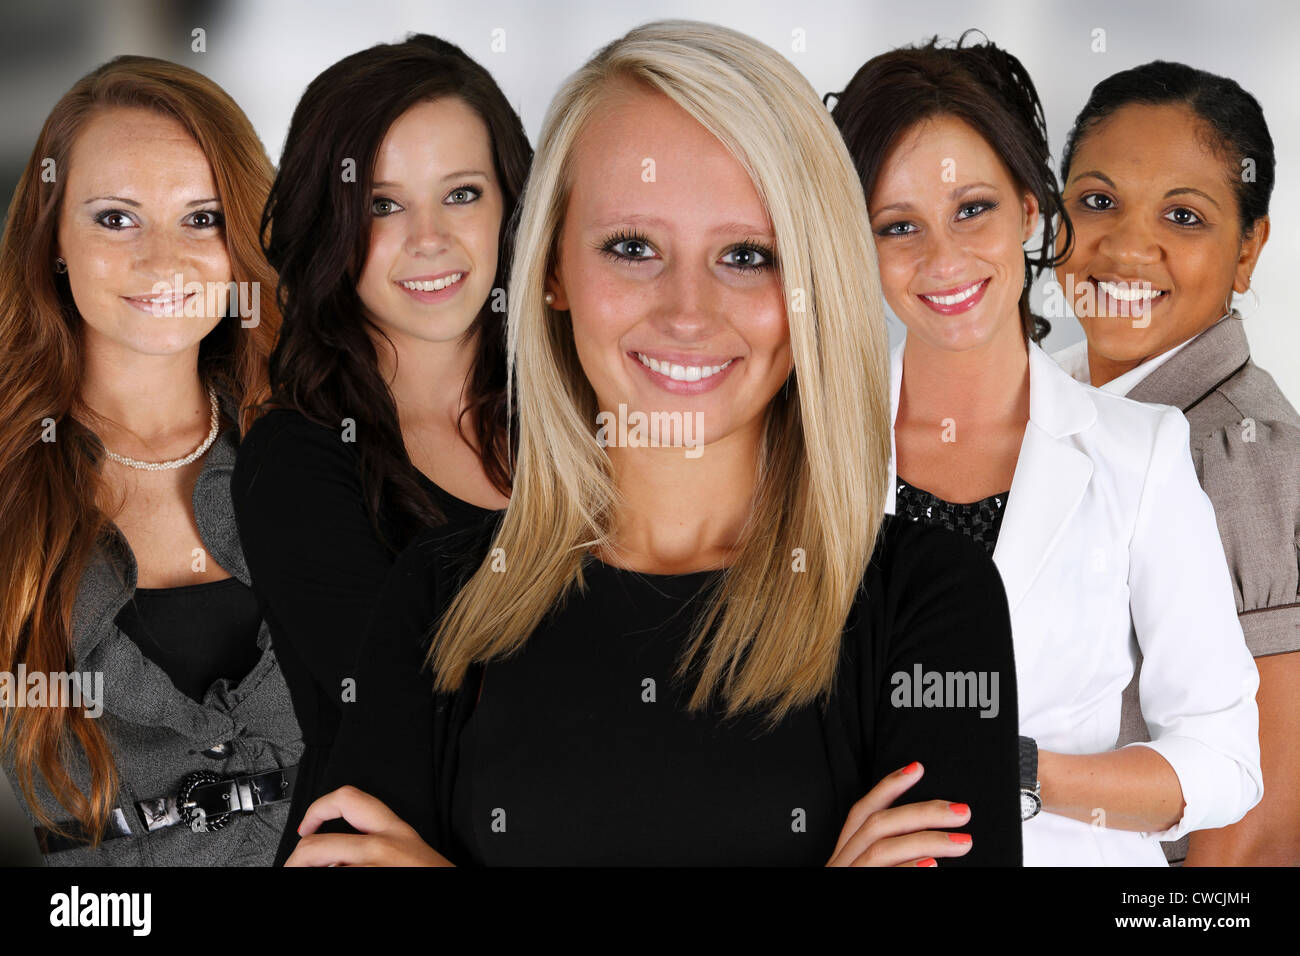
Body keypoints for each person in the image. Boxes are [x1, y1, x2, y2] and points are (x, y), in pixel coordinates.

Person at [289, 19, 1023, 867]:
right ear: (552, 268)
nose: (686, 312)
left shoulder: (930, 602)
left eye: (748, 255)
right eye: (632, 247)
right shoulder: (440, 596)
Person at [828, 34, 1262, 866]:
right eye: (898, 226)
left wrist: (1018, 770)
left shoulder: (1140, 453)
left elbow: (1225, 759)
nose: (943, 257)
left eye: (972, 209)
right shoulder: (804, 454)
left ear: (1031, 211)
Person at [230, 34, 527, 865]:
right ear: (331, 223)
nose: (428, 239)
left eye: (461, 193)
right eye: (385, 205)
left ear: (512, 204)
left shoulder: (585, 416)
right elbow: (440, 719)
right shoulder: (296, 463)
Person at [0, 57, 301, 865]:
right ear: (53, 239)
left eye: (202, 219)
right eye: (116, 218)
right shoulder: (8, 477)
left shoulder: (315, 447)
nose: (164, 259)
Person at [1052, 61, 1300, 865]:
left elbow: (1262, 826)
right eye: (1097, 202)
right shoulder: (1048, 390)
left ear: (1248, 251)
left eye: (1185, 216)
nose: (1127, 246)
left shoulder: (1241, 457)